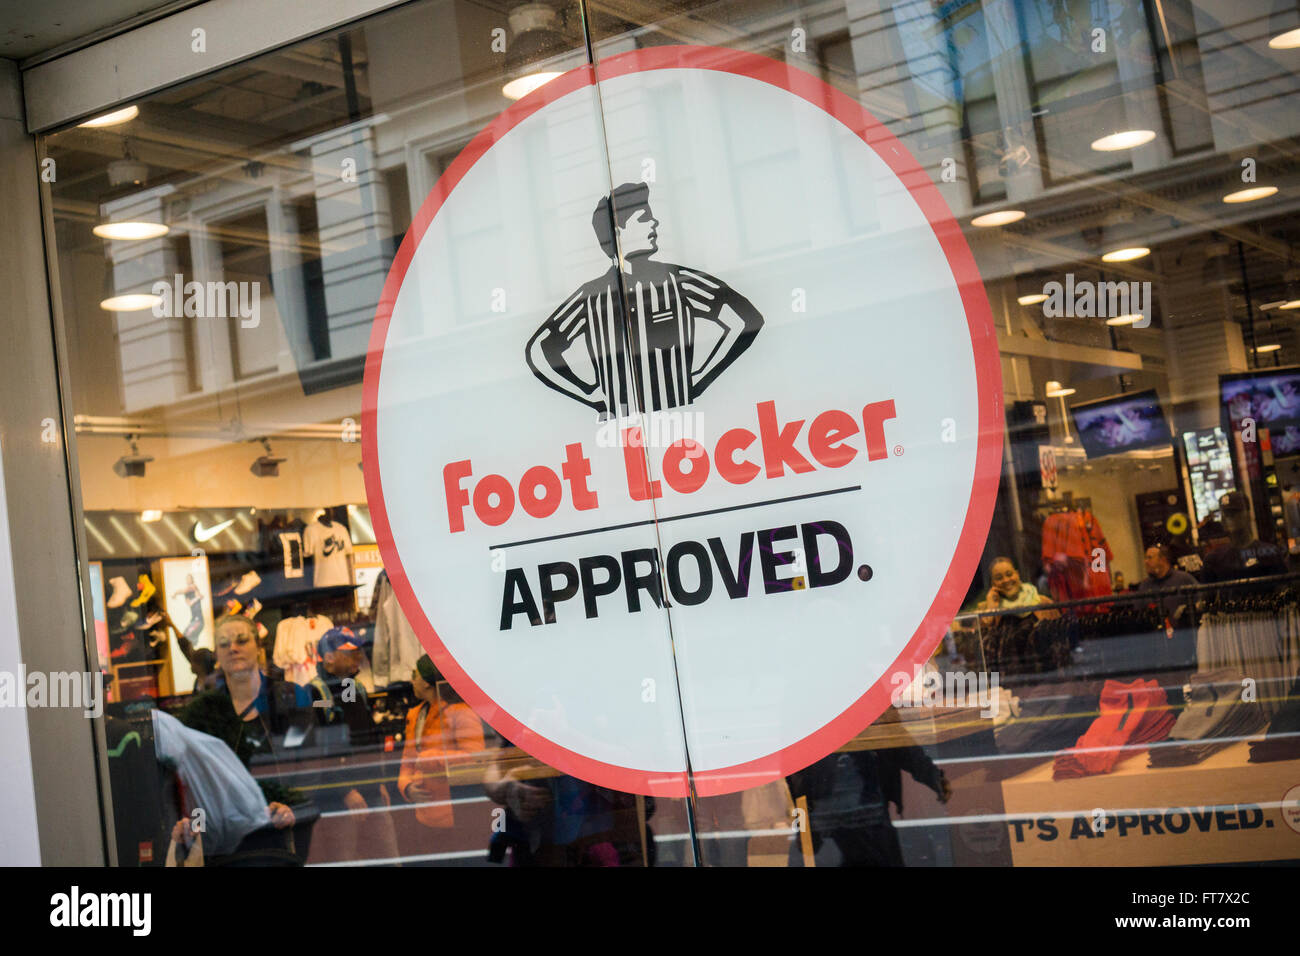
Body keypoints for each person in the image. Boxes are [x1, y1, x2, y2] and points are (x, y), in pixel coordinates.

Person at [526, 181, 764, 417]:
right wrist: (592, 396)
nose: (654, 222)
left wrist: (701, 379)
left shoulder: (677, 281)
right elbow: (540, 349)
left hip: (683, 424)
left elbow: (746, 319)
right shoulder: (592, 297)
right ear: (617, 235)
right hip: (624, 435)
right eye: (643, 218)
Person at [174, 614, 316, 862]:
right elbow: (190, 780)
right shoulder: (203, 712)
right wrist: (190, 823)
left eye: (242, 640)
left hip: (280, 835)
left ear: (258, 647)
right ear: (216, 654)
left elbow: (309, 767)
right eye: (224, 644)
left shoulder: (289, 698)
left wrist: (291, 806)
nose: (234, 649)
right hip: (224, 844)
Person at [397, 655, 486, 829]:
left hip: (456, 817)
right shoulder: (416, 715)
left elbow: (475, 758)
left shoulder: (461, 713)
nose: (411, 680)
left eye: (415, 674)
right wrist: (406, 786)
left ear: (426, 682)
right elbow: (408, 761)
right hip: (423, 816)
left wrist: (428, 759)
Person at [979, 557, 1056, 623]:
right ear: (993, 583)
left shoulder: (1044, 602)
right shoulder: (985, 609)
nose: (1006, 580)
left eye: (1009, 574)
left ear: (1017, 574)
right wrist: (991, 609)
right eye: (999, 578)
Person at [1137, 544, 1198, 619]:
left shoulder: (1184, 580)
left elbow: (1200, 604)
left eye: (1150, 558)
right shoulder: (1144, 586)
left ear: (1163, 560)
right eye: (1146, 558)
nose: (1146, 562)